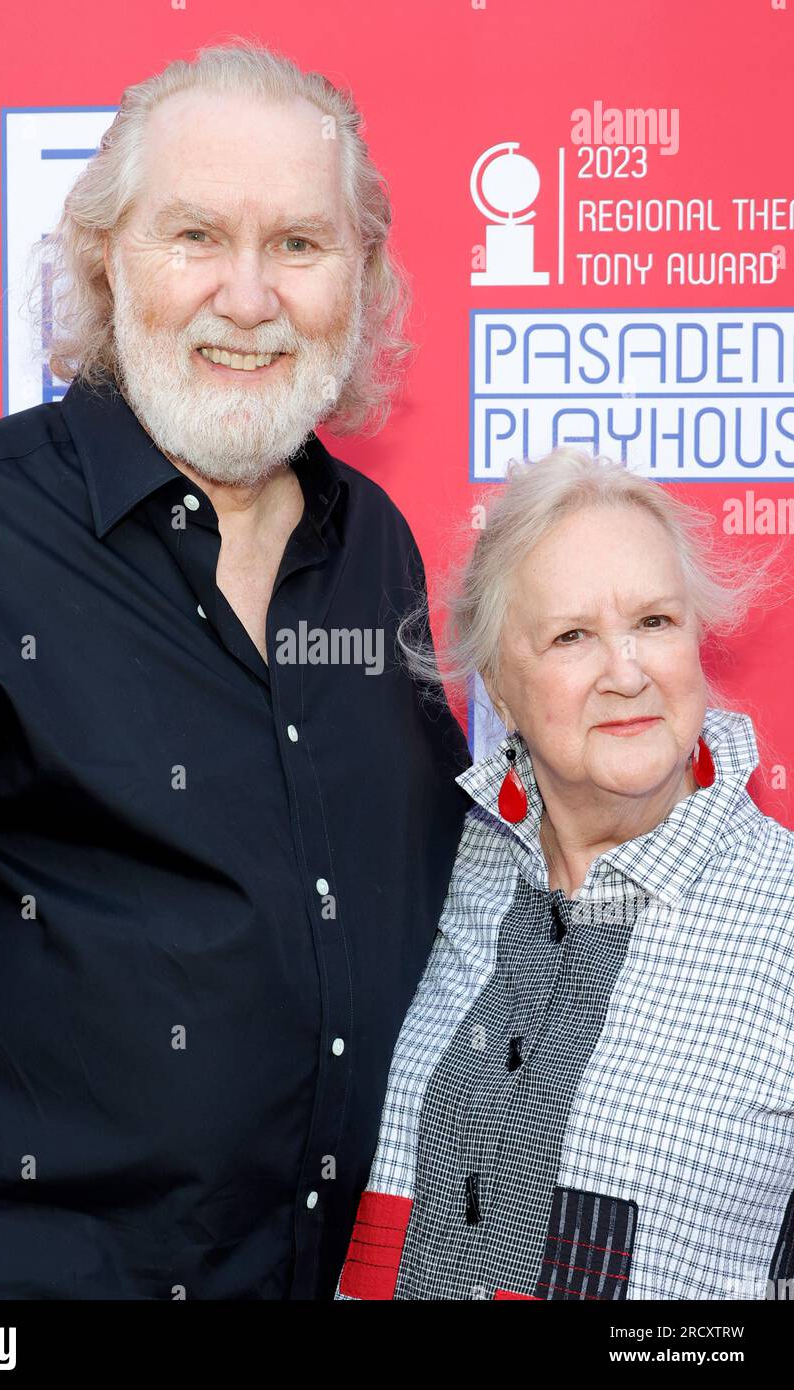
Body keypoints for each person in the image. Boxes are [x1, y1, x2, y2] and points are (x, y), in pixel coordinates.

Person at [0, 40, 470, 1299]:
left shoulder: (374, 552)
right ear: (105, 259)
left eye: (299, 247)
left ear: (358, 281)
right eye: (194, 234)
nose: (246, 298)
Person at [336, 447, 794, 1301]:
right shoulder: (439, 871)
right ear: (500, 693)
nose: (625, 673)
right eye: (571, 636)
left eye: (654, 622)